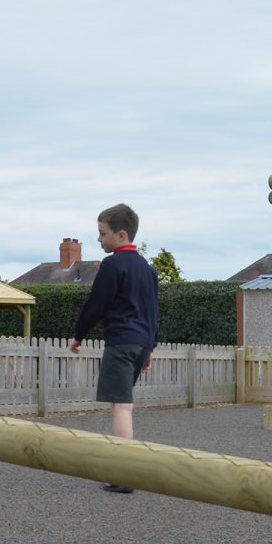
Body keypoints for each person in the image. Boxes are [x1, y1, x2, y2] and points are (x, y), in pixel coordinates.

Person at [69, 203, 159, 493]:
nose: (99, 239)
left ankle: (124, 474)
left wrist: (78, 334)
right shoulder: (148, 269)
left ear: (121, 235)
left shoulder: (112, 265)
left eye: (102, 233)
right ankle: (123, 471)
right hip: (141, 343)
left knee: (121, 406)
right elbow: (152, 312)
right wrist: (149, 348)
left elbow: (97, 304)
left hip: (120, 342)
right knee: (123, 403)